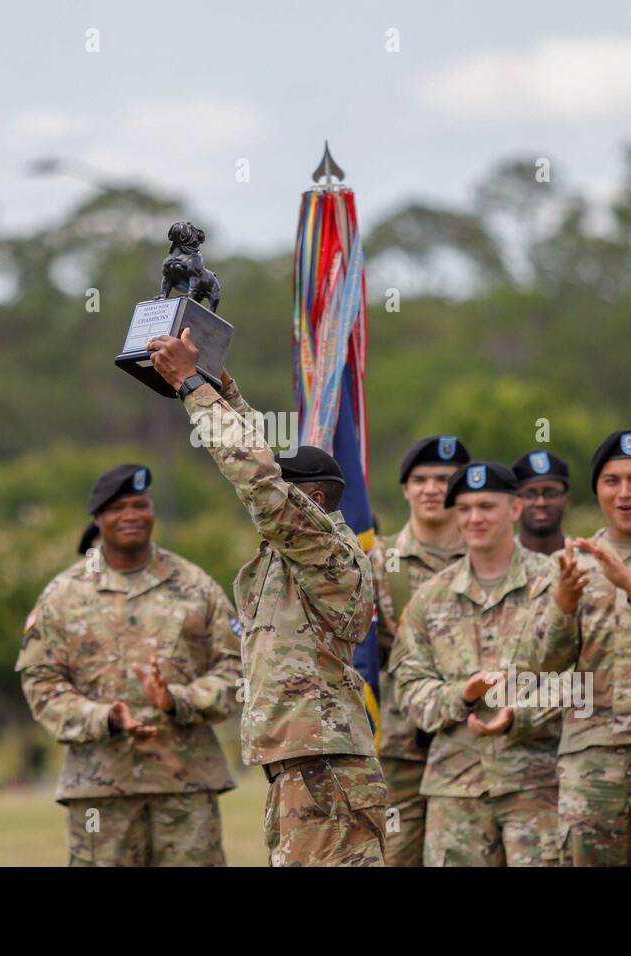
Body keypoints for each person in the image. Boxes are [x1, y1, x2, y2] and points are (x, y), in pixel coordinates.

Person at [145, 330, 387, 867]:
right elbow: (260, 461)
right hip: (305, 759)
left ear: (316, 499)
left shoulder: (326, 547)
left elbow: (257, 479)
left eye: (288, 489)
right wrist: (221, 385)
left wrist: (189, 386)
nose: (271, 500)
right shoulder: (296, 552)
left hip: (325, 763)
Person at [17, 464, 242, 866]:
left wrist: (179, 700)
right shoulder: (62, 596)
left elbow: (236, 671)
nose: (132, 515)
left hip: (186, 786)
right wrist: (103, 718)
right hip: (100, 790)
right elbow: (41, 684)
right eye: (119, 507)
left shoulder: (195, 586)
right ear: (98, 518)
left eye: (141, 504)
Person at [391, 462, 562, 866]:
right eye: (464, 509)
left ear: (515, 509)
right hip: (456, 789)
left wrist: (520, 714)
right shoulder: (430, 598)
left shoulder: (554, 583)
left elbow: (579, 680)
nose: (474, 518)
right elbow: (409, 689)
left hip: (537, 783)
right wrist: (461, 695)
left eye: (486, 506)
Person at [529, 430, 631, 865]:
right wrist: (563, 605)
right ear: (596, 489)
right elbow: (540, 665)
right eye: (611, 481)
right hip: (591, 755)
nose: (624, 493)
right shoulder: (570, 564)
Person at [371, 435, 468, 866]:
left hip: (471, 741)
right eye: (421, 479)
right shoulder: (377, 560)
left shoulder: (487, 557)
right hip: (400, 747)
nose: (431, 489)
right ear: (406, 488)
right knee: (394, 856)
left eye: (444, 480)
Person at [512, 450, 570, 556]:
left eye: (551, 494)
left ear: (566, 500)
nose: (541, 503)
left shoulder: (589, 560)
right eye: (530, 495)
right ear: (515, 505)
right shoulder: (498, 561)